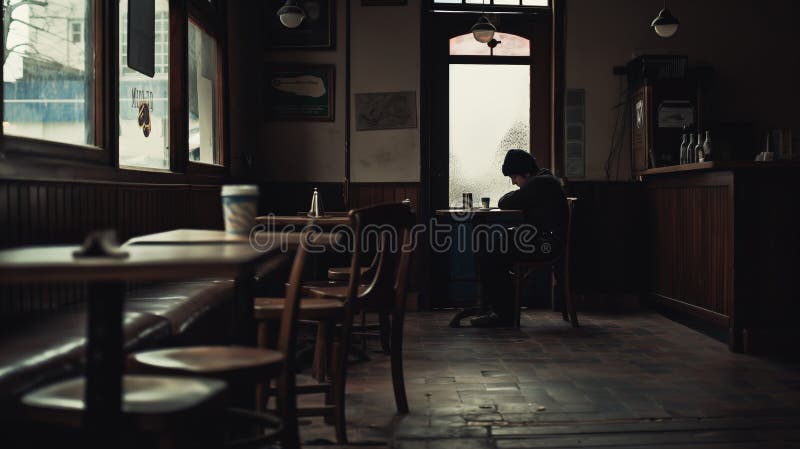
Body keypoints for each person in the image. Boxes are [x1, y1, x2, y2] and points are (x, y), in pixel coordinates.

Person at [471, 149, 569, 327]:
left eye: (515, 177)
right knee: (495, 252)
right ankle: (503, 311)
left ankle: (503, 314)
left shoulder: (541, 183)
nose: (514, 182)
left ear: (526, 173)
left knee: (489, 257)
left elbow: (504, 202)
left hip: (546, 245)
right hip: (545, 240)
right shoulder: (544, 180)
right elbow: (511, 198)